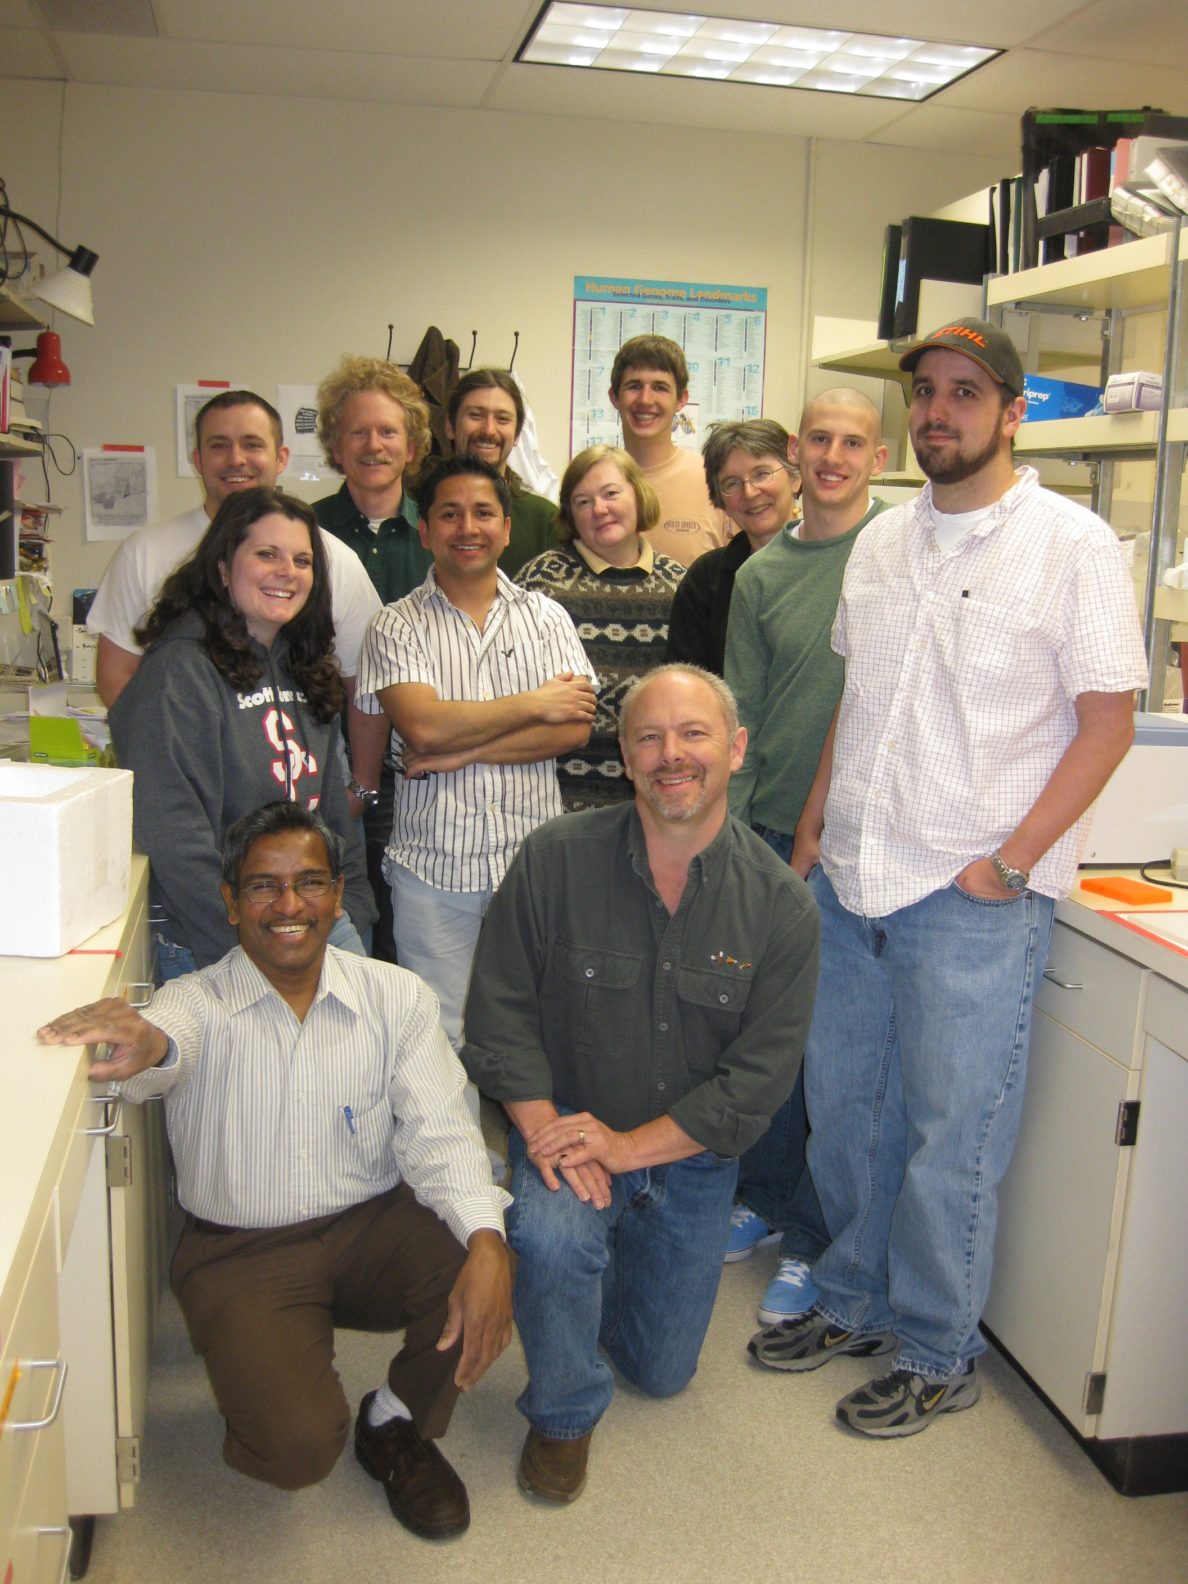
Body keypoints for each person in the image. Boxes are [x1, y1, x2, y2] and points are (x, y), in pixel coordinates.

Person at [749, 318, 1147, 1439]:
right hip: (855, 875)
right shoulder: (878, 543)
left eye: (966, 393)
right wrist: (816, 826)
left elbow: (1106, 723)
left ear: (1014, 411)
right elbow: (857, 698)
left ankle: (936, 1347)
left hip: (969, 895)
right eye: (925, 392)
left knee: (947, 1136)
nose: (939, 412)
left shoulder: (1072, 548)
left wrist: (1012, 862)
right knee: (845, 1114)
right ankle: (851, 1295)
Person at [37, 802, 512, 1540]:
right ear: (229, 902)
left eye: (309, 883)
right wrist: (143, 1042)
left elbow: (444, 1134)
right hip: (242, 1248)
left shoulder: (396, 998)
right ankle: (282, 1368)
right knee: (295, 1451)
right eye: (262, 886)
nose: (289, 906)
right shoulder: (193, 1001)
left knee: (484, 1256)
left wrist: (488, 1240)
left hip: (369, 1224)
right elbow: (165, 1050)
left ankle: (394, 1422)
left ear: (338, 892)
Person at [462, 664, 820, 1502]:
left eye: (693, 734)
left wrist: (628, 1150)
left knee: (660, 1374)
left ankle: (599, 1269)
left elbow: (754, 1085)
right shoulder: (556, 859)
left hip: (689, 1158)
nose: (672, 755)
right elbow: (498, 1017)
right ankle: (561, 1413)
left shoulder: (781, 906)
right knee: (551, 1237)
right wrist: (549, 1131)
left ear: (734, 751)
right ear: (623, 756)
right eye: (649, 737)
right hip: (566, 1133)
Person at [722, 390, 889, 1325]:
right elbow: (739, 711)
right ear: (796, 450)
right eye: (817, 440)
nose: (831, 456)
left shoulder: (902, 549)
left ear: (878, 454)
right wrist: (742, 840)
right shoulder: (760, 577)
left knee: (840, 1057)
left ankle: (821, 1238)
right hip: (772, 830)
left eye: (851, 443)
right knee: (771, 1039)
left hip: (863, 837)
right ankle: (764, 1199)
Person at [356, 453, 596, 1086]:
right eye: (450, 513)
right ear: (426, 529)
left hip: (531, 864)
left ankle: (538, 1168)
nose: (469, 526)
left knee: (540, 1024)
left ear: (508, 528)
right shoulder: (393, 625)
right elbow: (424, 727)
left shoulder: (547, 619)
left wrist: (466, 749)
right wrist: (533, 705)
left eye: (484, 512)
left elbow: (573, 729)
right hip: (434, 864)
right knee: (441, 1035)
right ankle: (469, 1178)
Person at [108, 487, 375, 977]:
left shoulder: (306, 668)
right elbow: (175, 838)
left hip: (317, 927)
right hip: (224, 942)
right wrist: (251, 947)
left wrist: (352, 902)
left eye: (302, 560)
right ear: (223, 568)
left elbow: (332, 812)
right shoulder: (177, 675)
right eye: (266, 554)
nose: (287, 572)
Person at [314, 356, 435, 961]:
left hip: (428, 768)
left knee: (410, 931)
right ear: (335, 445)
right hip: (331, 770)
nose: (373, 445)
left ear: (411, 445)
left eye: (388, 431)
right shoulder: (302, 534)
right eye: (357, 431)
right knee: (340, 926)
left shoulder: (442, 533)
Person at [515, 445, 685, 809]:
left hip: (653, 794)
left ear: (638, 495)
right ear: (570, 515)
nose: (600, 509)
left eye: (611, 493)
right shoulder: (540, 581)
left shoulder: (680, 585)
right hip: (556, 796)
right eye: (583, 502)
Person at [666, 418, 801, 675]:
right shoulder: (706, 579)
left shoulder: (833, 562)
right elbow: (685, 679)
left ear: (796, 477)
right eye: (732, 483)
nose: (749, 492)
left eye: (761, 474)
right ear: (722, 501)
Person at [608, 334, 730, 566]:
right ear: (614, 397)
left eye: (660, 388)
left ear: (681, 399)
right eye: (634, 386)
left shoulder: (712, 478)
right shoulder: (593, 482)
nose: (645, 400)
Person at [445, 368, 558, 576]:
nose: (489, 430)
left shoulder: (544, 520)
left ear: (516, 434)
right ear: (450, 426)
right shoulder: (422, 509)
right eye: (476, 415)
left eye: (502, 419)